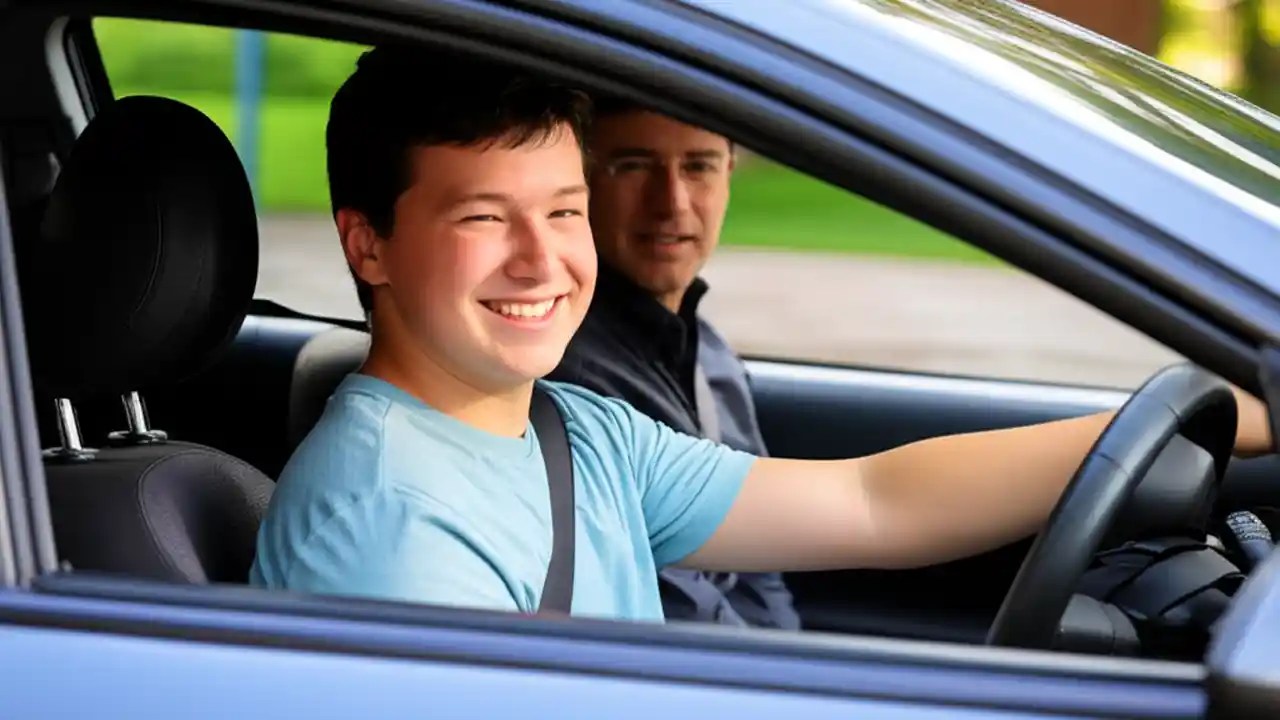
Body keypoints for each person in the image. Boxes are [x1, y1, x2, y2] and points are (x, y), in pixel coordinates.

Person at [250, 46, 1274, 622]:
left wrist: (1224, 415)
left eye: (562, 212)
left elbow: (873, 502)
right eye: (483, 218)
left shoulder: (572, 433)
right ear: (369, 245)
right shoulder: (387, 522)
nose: (540, 260)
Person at [548, 101, 799, 629]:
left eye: (699, 166)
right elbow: (674, 611)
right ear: (577, 183)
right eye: (634, 166)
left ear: (729, 174)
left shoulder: (709, 351)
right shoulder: (563, 374)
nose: (672, 203)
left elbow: (762, 567)